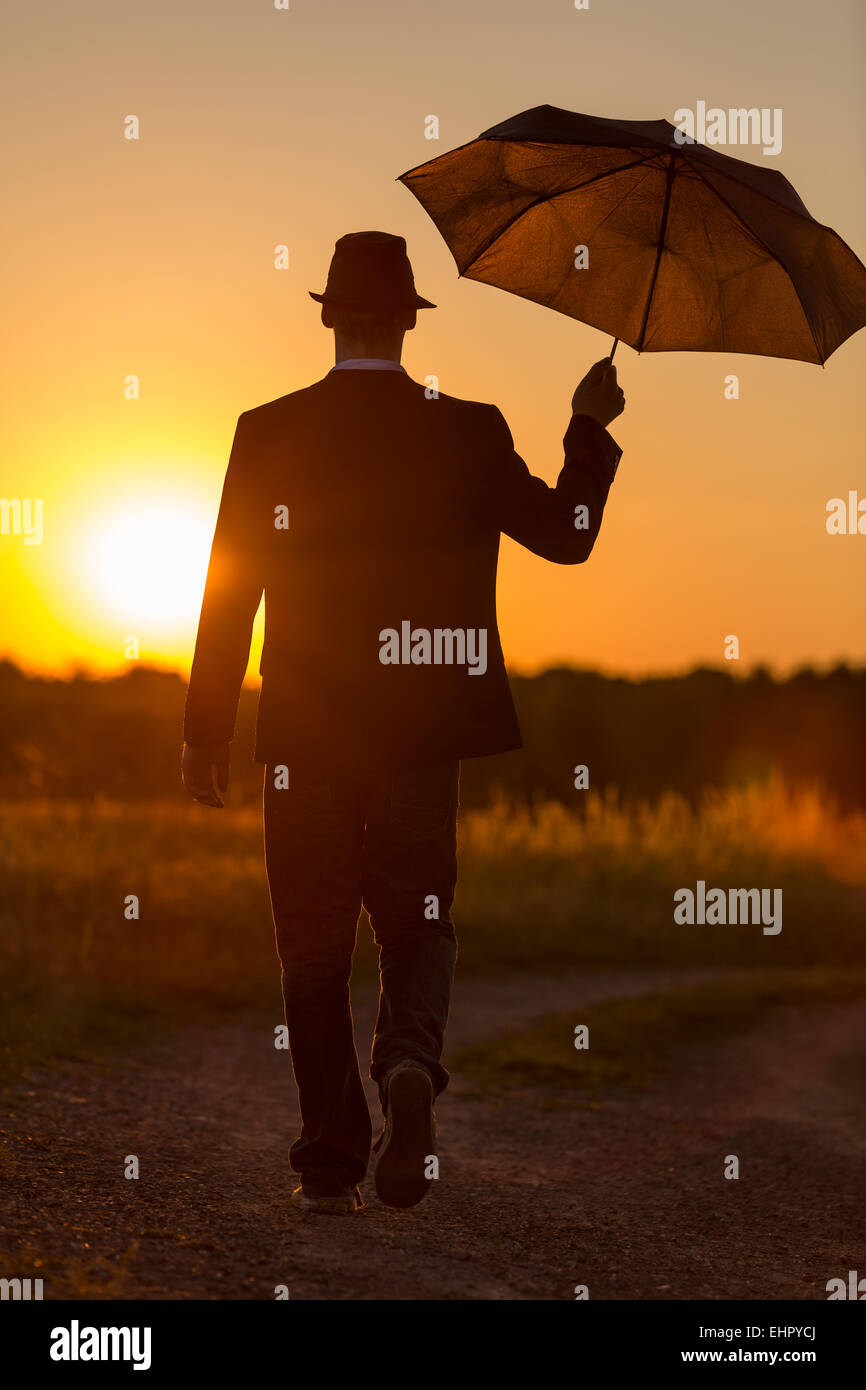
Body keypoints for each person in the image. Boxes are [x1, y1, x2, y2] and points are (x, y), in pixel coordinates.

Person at [182, 231, 625, 1215]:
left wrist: (205, 726)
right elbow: (566, 538)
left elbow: (228, 590)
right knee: (419, 916)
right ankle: (409, 1068)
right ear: (408, 318)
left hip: (304, 735)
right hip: (424, 732)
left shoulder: (268, 429)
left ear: (331, 316)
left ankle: (329, 1161)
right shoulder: (468, 430)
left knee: (311, 941)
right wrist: (585, 429)